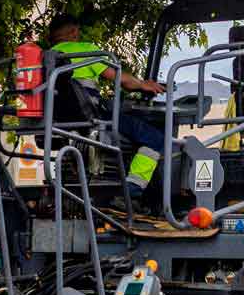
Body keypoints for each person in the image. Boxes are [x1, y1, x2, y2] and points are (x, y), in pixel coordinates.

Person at [46, 14, 168, 198]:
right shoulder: (85, 51)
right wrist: (144, 84)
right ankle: (132, 188)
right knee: (156, 139)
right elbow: (123, 80)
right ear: (73, 32)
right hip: (92, 117)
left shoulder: (44, 59)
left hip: (57, 120)